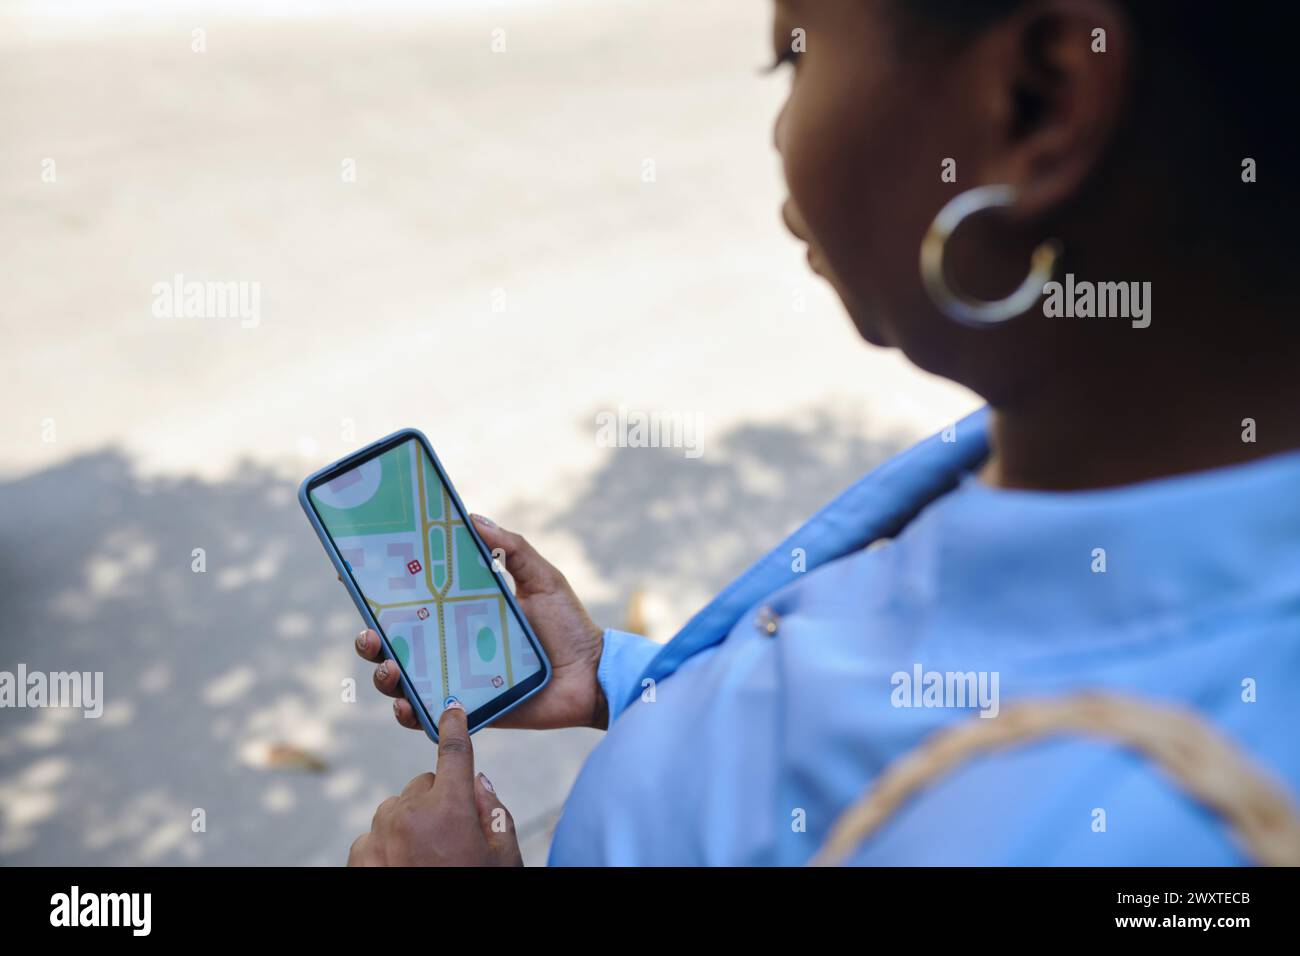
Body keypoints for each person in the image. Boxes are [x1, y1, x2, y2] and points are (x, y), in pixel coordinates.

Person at [343, 0, 1300, 865]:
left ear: (1034, 99)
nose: (780, 131)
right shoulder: (1061, 446)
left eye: (792, 60)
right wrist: (619, 682)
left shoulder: (1162, 820)